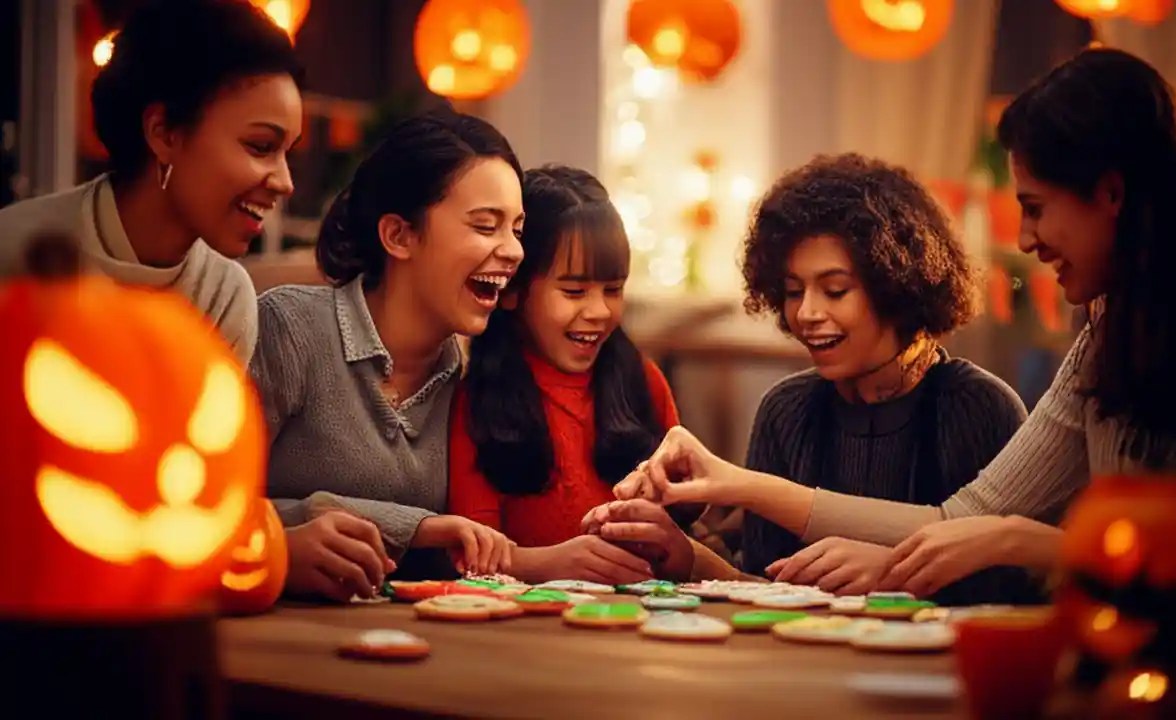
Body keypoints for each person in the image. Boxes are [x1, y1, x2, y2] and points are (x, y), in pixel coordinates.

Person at [610, 48, 1176, 599]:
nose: (1025, 238)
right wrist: (727, 492)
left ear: (1111, 193)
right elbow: (958, 523)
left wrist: (1021, 542)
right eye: (792, 292)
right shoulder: (1106, 338)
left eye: (1037, 208)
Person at [607, 152, 1036, 604]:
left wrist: (891, 576)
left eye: (835, 290)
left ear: (896, 285)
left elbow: (1009, 594)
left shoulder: (980, 407)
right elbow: (766, 586)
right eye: (793, 292)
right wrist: (686, 556)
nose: (807, 313)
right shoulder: (787, 409)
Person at [251, 113, 523, 601]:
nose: (513, 251)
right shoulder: (290, 329)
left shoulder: (468, 375)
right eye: (486, 226)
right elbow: (199, 506)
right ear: (399, 236)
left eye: (517, 229)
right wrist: (285, 543)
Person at [0, 0, 304, 364]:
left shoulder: (223, 298)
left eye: (288, 153)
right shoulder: (14, 254)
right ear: (164, 134)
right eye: (261, 147)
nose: (285, 183)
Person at [448, 165, 694, 585]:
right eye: (574, 291)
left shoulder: (643, 382)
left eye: (613, 289)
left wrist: (673, 538)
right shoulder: (481, 399)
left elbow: (683, 529)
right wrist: (546, 564)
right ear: (513, 292)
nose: (599, 311)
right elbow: (469, 553)